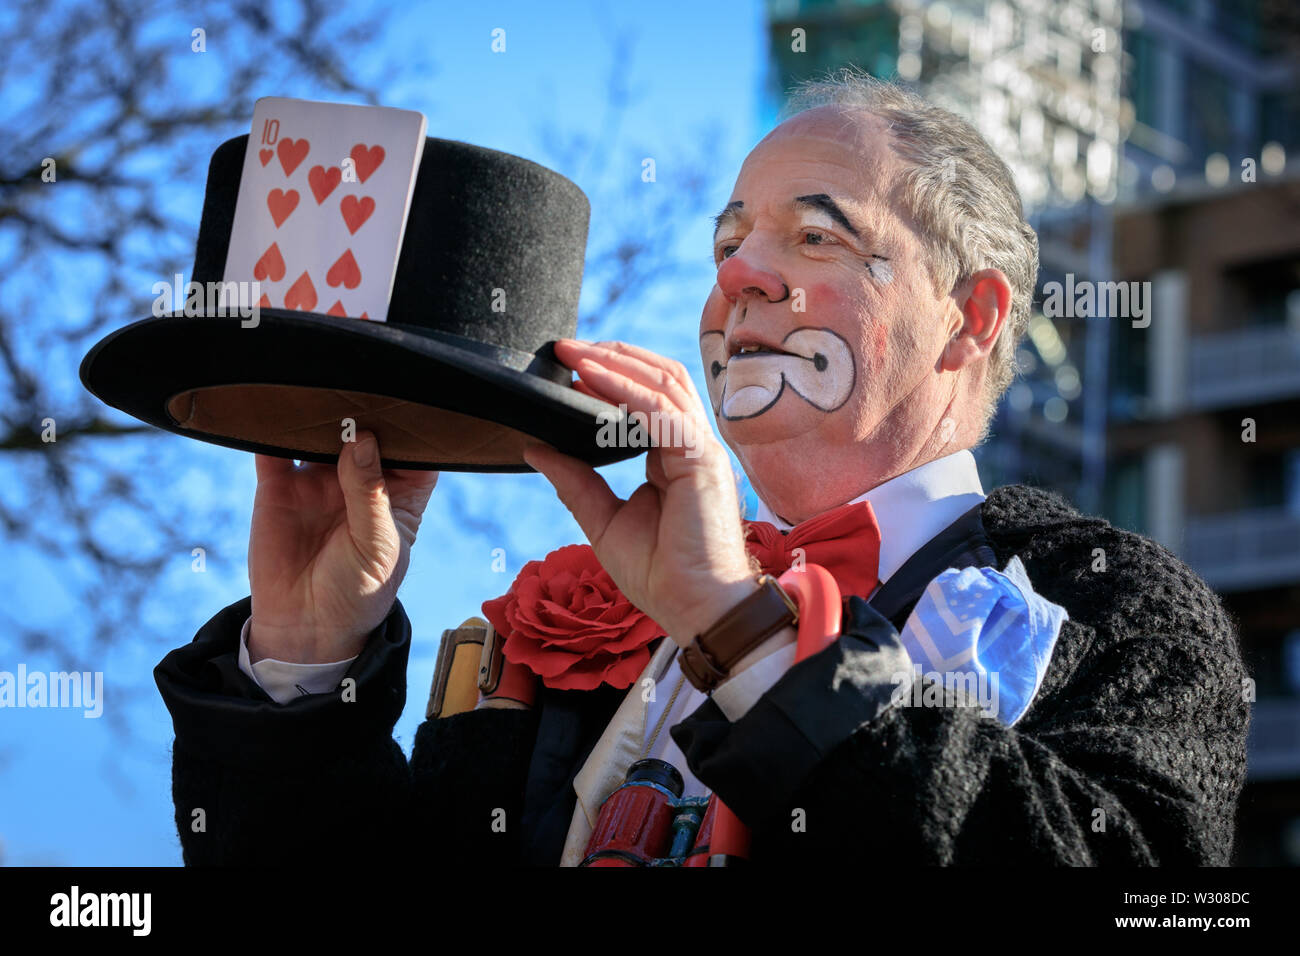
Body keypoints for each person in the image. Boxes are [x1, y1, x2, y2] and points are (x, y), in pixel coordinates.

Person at [155, 72, 1249, 866]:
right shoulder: (552, 624)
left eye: (815, 239)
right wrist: (303, 662)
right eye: (727, 245)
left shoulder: (1115, 606)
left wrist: (738, 625)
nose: (743, 279)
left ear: (968, 317)